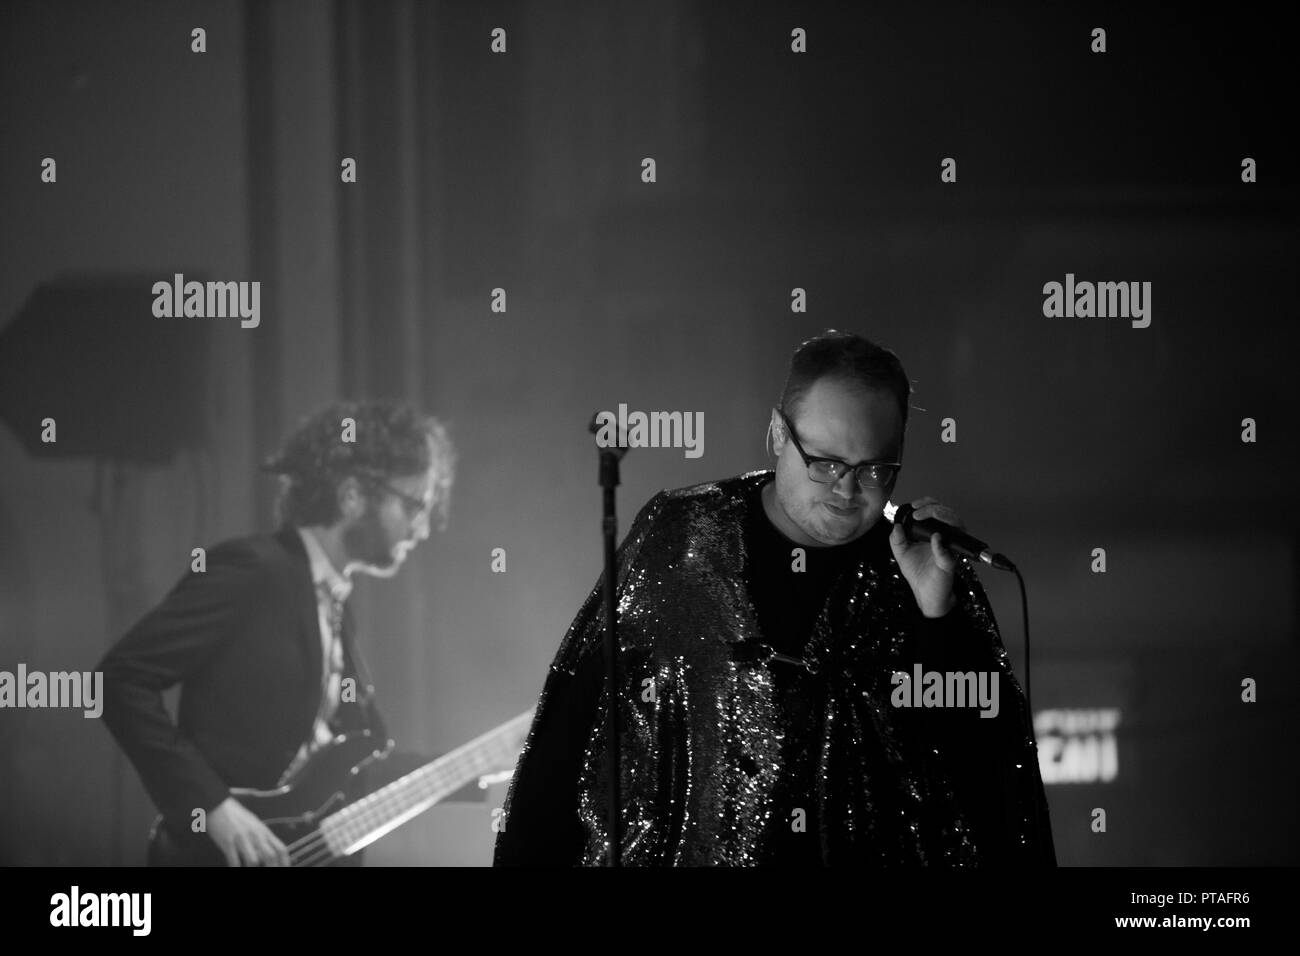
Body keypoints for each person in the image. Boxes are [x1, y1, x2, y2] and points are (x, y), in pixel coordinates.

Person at [494, 330, 1055, 866]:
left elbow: (991, 786)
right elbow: (568, 733)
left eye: (874, 469)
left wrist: (938, 616)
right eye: (827, 463)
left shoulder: (925, 564)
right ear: (779, 435)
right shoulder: (680, 535)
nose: (846, 488)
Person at [98, 400, 455, 866]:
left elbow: (355, 766)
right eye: (415, 505)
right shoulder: (256, 570)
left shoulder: (336, 608)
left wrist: (497, 762)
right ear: (352, 496)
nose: (423, 528)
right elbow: (120, 678)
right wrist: (213, 808)